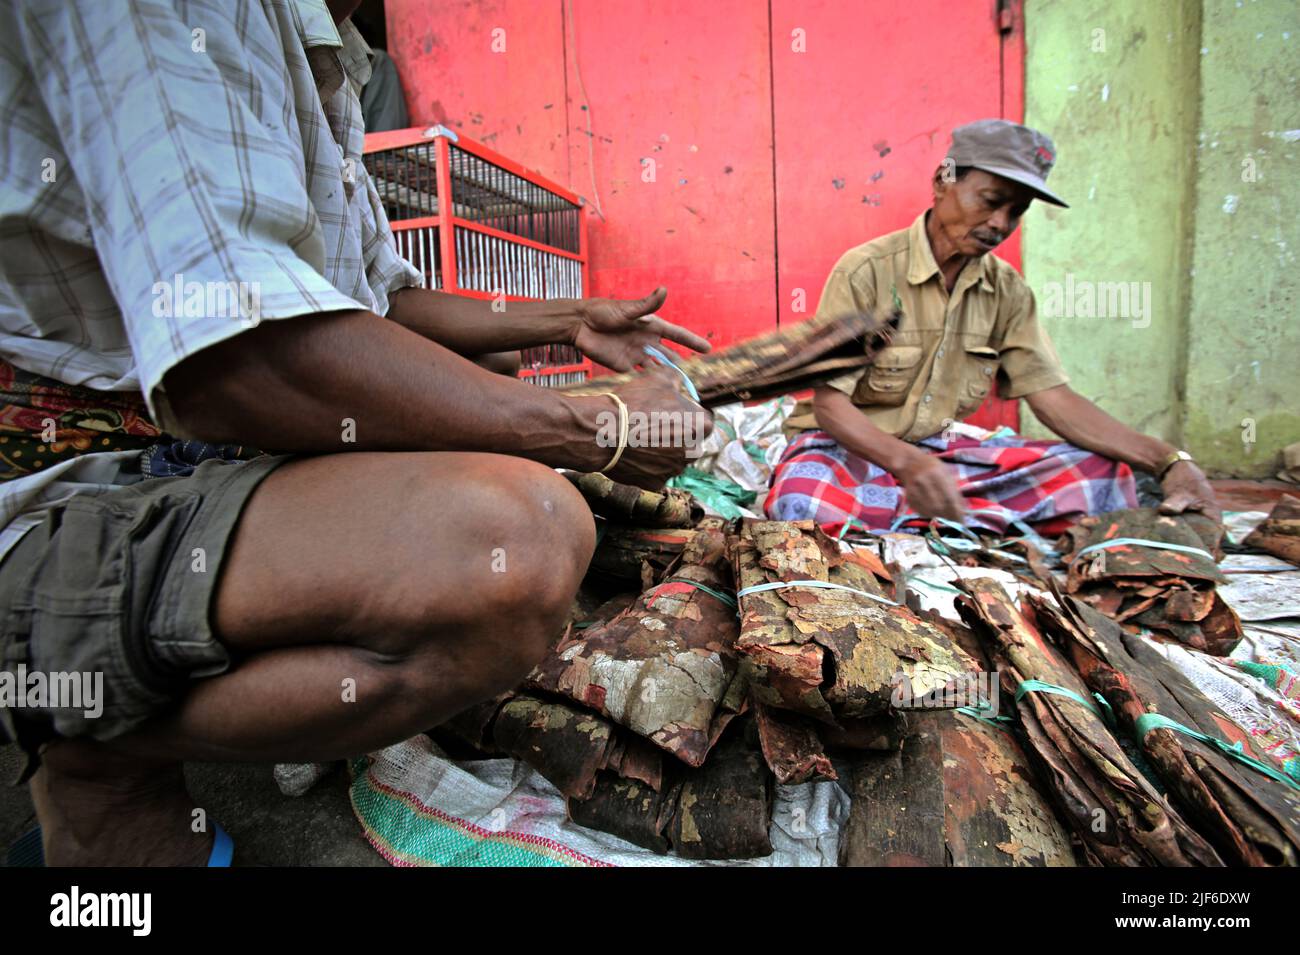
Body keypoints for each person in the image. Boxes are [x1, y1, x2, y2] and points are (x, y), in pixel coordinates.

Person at [0, 0, 708, 865]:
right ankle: (93, 750)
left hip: (201, 452)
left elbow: (382, 302)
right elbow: (239, 361)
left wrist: (567, 319)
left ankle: (162, 689)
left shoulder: (320, 47)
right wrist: (588, 423)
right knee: (515, 539)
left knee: (493, 388)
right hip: (71, 494)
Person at [767, 119, 1220, 538]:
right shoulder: (867, 270)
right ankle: (957, 520)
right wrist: (906, 463)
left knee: (1103, 471)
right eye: (990, 202)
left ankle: (926, 518)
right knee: (802, 503)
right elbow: (830, 406)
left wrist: (1169, 460)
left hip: (941, 457)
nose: (1001, 224)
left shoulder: (1007, 291)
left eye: (1016, 212)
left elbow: (1054, 399)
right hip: (850, 453)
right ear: (944, 181)